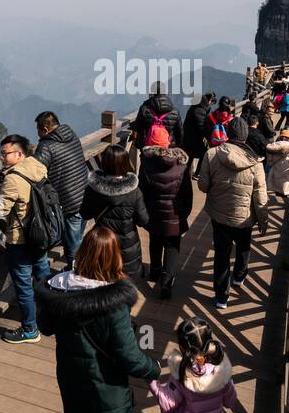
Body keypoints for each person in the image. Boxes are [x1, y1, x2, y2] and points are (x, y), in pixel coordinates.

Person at [36, 225, 160, 413]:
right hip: (105, 387)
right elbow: (129, 357)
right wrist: (153, 368)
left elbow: (44, 326)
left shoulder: (59, 288)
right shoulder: (113, 304)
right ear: (113, 258)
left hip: (70, 376)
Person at [197, 118, 268, 310]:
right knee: (244, 247)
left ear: (228, 134)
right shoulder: (255, 162)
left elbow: (202, 185)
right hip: (244, 217)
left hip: (219, 214)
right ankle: (239, 277)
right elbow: (260, 197)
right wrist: (263, 220)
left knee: (221, 254)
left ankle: (222, 297)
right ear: (245, 136)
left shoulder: (212, 154)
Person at [0, 134, 49, 345]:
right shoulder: (37, 166)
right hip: (41, 234)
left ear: (19, 153)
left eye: (5, 153)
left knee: (24, 286)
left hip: (21, 239)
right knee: (43, 276)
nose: (2, 157)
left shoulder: (13, 179)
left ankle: (30, 329)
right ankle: (50, 316)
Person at [138, 127, 193, 300]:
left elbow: (141, 192)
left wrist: (144, 212)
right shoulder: (181, 165)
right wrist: (183, 213)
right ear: (167, 142)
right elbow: (187, 194)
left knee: (155, 239)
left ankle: (154, 270)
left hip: (153, 213)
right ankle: (167, 282)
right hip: (175, 214)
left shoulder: (146, 165)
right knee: (172, 245)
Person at [82, 144, 149, 277]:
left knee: (102, 277)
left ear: (104, 163)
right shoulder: (134, 191)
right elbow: (143, 220)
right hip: (127, 245)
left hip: (103, 243)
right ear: (125, 163)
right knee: (125, 283)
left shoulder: (93, 189)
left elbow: (85, 213)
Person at [33, 111, 90, 266]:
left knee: (72, 245)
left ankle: (75, 277)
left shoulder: (46, 146)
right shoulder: (71, 135)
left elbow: (34, 170)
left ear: (45, 129)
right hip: (85, 195)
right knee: (78, 238)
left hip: (70, 202)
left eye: (38, 131)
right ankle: (81, 269)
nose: (38, 135)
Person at [130, 81, 182, 151]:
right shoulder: (175, 111)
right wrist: (175, 146)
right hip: (167, 150)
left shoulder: (145, 108)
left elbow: (139, 128)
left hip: (149, 149)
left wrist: (139, 145)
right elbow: (179, 132)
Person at [181, 91, 214, 179]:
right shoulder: (200, 110)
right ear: (208, 100)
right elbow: (201, 127)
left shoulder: (195, 108)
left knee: (190, 156)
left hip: (189, 137)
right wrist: (209, 133)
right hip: (193, 139)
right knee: (204, 152)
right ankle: (196, 174)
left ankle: (185, 175)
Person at [265, 128, 289, 198]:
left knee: (278, 187)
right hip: (288, 171)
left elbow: (269, 160)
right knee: (287, 187)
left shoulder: (273, 146)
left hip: (276, 171)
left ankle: (279, 195)